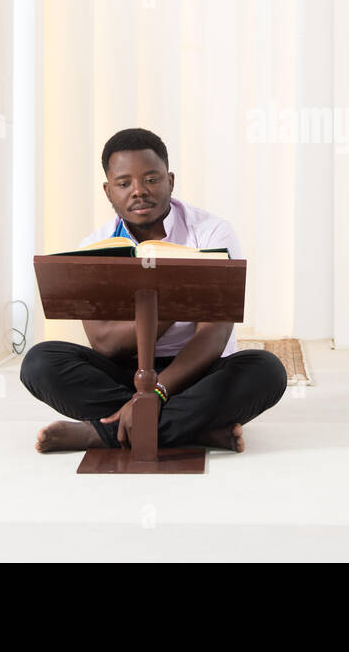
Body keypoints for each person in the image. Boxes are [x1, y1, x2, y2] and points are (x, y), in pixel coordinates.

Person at [20, 127, 287, 453]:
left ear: (170, 181)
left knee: (266, 371)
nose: (138, 191)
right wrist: (172, 299)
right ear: (108, 191)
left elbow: (214, 336)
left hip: (196, 373)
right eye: (124, 183)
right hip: (125, 374)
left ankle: (101, 434)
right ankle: (192, 430)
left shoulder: (212, 233)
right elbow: (105, 344)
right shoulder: (94, 246)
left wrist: (157, 392)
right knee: (39, 363)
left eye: (151, 179)